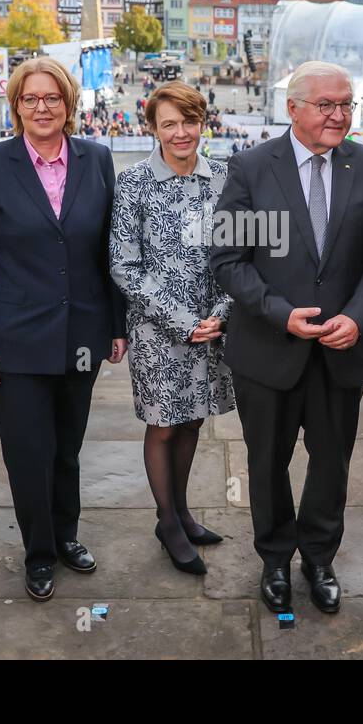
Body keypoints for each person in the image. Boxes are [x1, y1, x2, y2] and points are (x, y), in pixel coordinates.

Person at [211, 61, 363, 614]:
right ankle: (274, 558)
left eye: (346, 104)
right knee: (267, 463)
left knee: (331, 463)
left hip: (341, 350)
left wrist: (357, 317)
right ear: (293, 109)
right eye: (326, 105)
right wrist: (280, 314)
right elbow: (228, 260)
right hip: (268, 350)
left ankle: (318, 556)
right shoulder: (250, 168)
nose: (339, 115)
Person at [0, 56, 128, 602]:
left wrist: (116, 323)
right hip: (14, 342)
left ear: (69, 103)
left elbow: (109, 250)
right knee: (29, 453)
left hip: (81, 335)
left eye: (52, 97)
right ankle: (39, 552)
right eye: (30, 98)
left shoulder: (97, 159)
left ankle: (66, 535)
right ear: (16, 106)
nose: (42, 107)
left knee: (68, 449)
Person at [110, 81, 235, 576]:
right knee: (163, 424)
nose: (181, 132)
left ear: (202, 122)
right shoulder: (134, 182)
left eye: (189, 121)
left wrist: (221, 312)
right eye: (169, 124)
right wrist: (181, 321)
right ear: (153, 129)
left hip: (212, 325)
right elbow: (124, 265)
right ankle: (167, 521)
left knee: (193, 420)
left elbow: (237, 255)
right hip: (157, 330)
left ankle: (182, 512)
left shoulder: (224, 178)